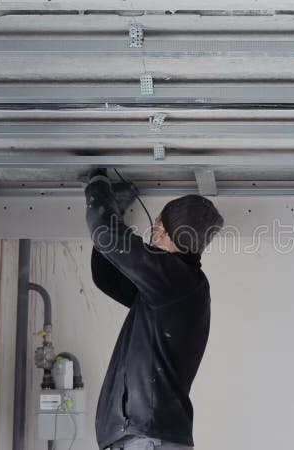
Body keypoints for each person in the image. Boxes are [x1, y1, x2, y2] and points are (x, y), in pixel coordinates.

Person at [84, 169, 224, 450]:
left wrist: (98, 183)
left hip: (148, 439)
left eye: (158, 226)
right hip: (147, 438)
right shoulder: (176, 287)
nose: (153, 235)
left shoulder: (174, 279)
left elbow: (104, 232)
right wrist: (117, 210)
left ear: (166, 232)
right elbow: (108, 278)